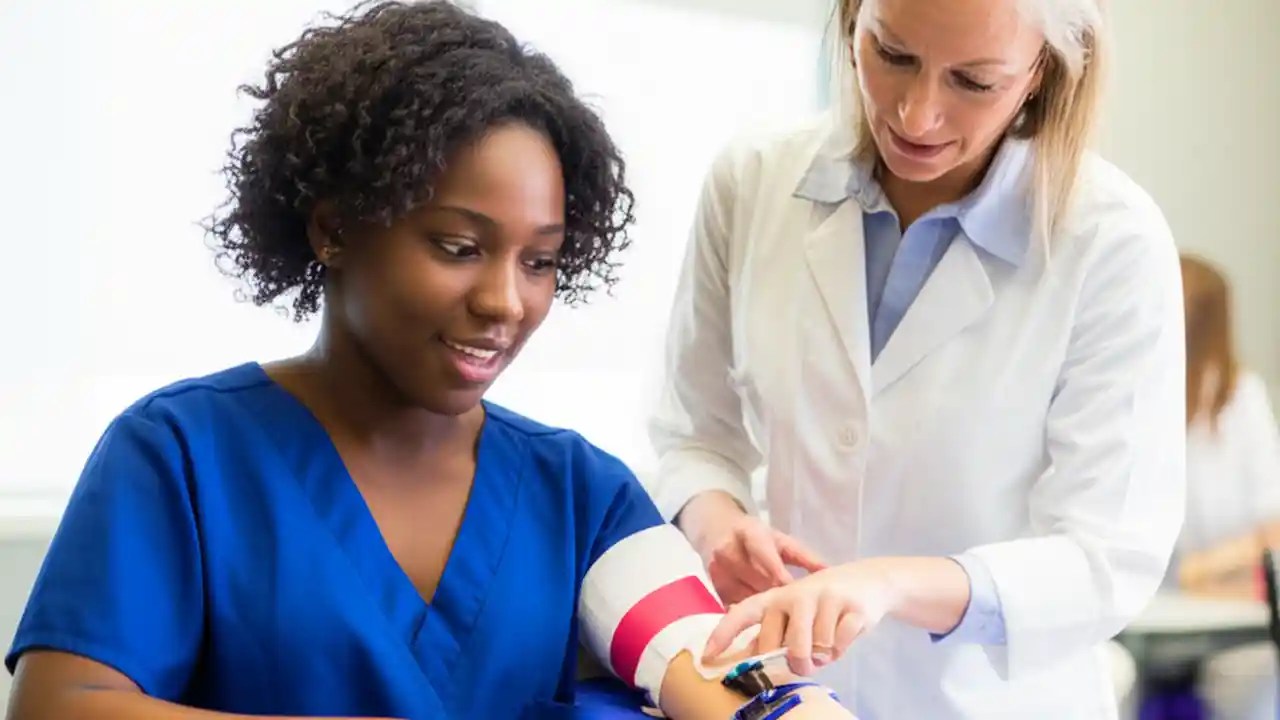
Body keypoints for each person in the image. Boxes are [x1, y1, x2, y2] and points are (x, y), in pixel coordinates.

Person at [2, 3, 852, 720]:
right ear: (335, 227)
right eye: (457, 246)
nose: (505, 301)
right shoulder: (184, 455)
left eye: (540, 260)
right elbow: (60, 702)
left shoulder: (578, 495)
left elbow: (718, 674)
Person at [645, 0, 1186, 716]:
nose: (916, 114)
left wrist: (890, 585)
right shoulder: (752, 179)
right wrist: (718, 525)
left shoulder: (1112, 242)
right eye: (892, 55)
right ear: (850, 20)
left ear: (1041, 74)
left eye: (974, 81)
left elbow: (1106, 555)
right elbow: (692, 434)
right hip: (789, 695)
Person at [1174, 255, 1280, 720]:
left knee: (1251, 677)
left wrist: (1204, 568)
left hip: (1230, 615)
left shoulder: (1241, 399)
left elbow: (1273, 523)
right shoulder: (1125, 395)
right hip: (1142, 616)